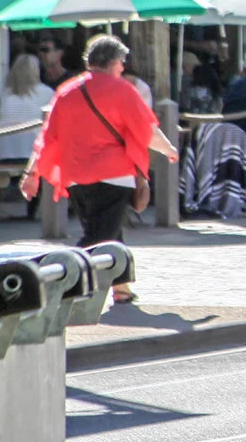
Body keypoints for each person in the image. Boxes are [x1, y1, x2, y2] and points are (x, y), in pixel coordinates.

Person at [22, 34, 179, 305]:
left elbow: (47, 138)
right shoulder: (122, 90)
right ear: (115, 61)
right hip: (113, 174)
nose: (122, 67)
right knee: (99, 236)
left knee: (108, 230)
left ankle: (122, 289)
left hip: (76, 176)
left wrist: (31, 173)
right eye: (121, 62)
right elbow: (146, 130)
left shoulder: (66, 91)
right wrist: (169, 150)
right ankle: (51, 277)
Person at [0, 53, 55, 216]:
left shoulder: (6, 94)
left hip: (3, 152)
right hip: (31, 154)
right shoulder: (46, 92)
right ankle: (34, 209)